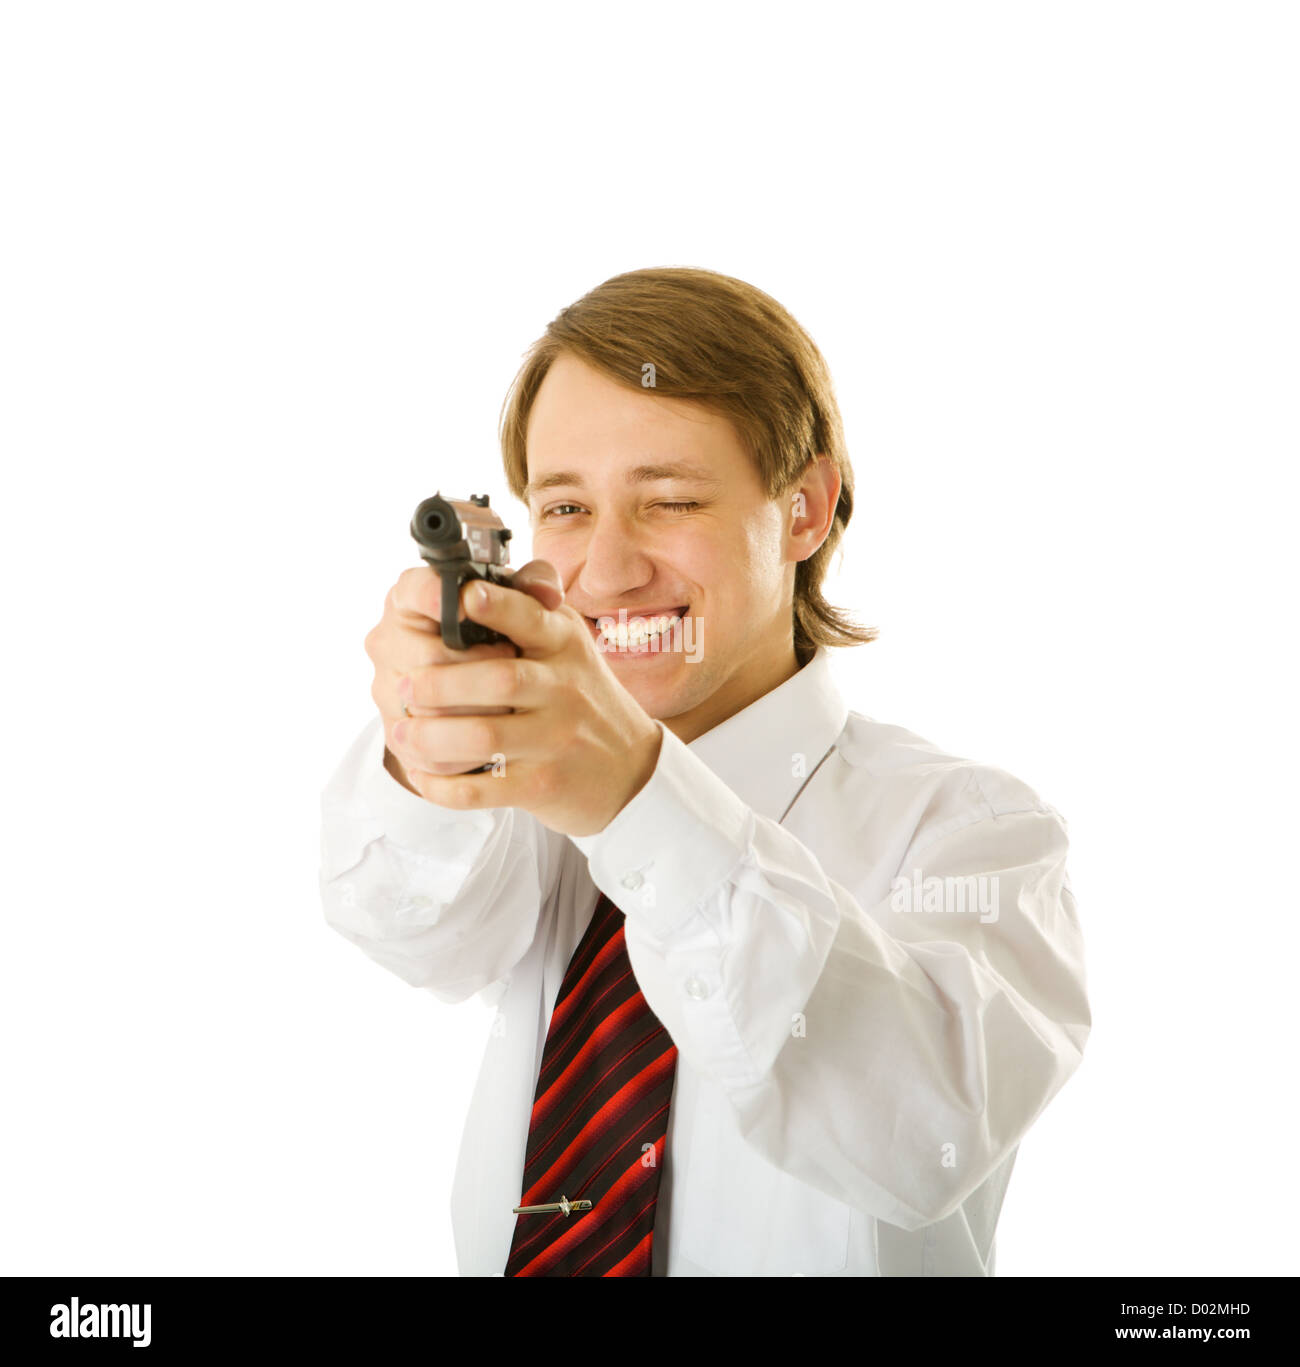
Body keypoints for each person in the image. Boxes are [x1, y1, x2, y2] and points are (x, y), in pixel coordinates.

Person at [318, 266, 1090, 1276]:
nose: (604, 569)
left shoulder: (974, 827)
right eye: (563, 508)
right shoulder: (533, 809)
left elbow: (916, 1136)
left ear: (806, 508)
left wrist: (638, 801)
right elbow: (401, 924)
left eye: (668, 499)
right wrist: (428, 745)